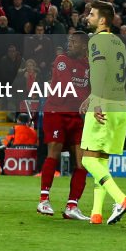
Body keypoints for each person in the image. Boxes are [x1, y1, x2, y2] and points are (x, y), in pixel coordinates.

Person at [79, 1, 126, 225]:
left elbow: (100, 70)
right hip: (120, 105)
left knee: (87, 160)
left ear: (102, 20)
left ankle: (121, 199)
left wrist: (97, 101)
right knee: (101, 159)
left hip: (105, 105)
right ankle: (96, 213)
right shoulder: (118, 42)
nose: (87, 17)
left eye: (91, 14)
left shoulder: (96, 40)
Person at [38, 32, 90, 219]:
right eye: (69, 41)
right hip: (57, 113)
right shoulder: (62, 60)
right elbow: (68, 86)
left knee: (81, 161)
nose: (70, 44)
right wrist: (89, 100)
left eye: (74, 42)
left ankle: (72, 206)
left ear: (84, 46)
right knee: (54, 152)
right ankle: (44, 200)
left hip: (77, 117)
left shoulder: (89, 66)